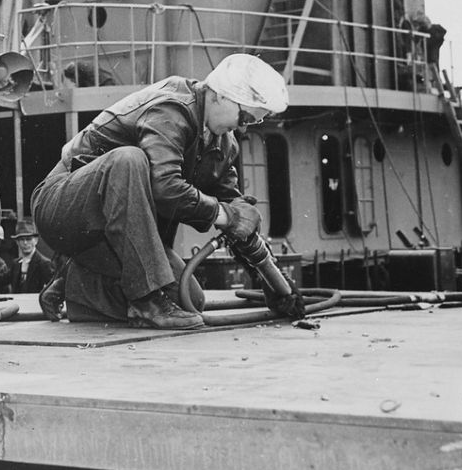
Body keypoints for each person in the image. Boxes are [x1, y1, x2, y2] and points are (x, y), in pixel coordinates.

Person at [31, 53, 288, 329]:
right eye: (246, 116)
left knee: (189, 299)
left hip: (107, 235)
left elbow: (237, 216)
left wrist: (272, 281)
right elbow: (165, 187)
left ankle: (73, 281)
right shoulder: (173, 107)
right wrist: (225, 215)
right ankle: (145, 303)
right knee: (129, 161)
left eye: (254, 122)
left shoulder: (224, 145)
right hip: (61, 208)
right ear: (220, 96)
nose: (243, 127)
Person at [7, 219, 54, 294]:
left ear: (36, 240)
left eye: (28, 239)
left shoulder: (44, 263)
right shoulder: (16, 264)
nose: (25, 243)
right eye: (22, 240)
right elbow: (3, 278)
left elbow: (52, 289)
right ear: (17, 242)